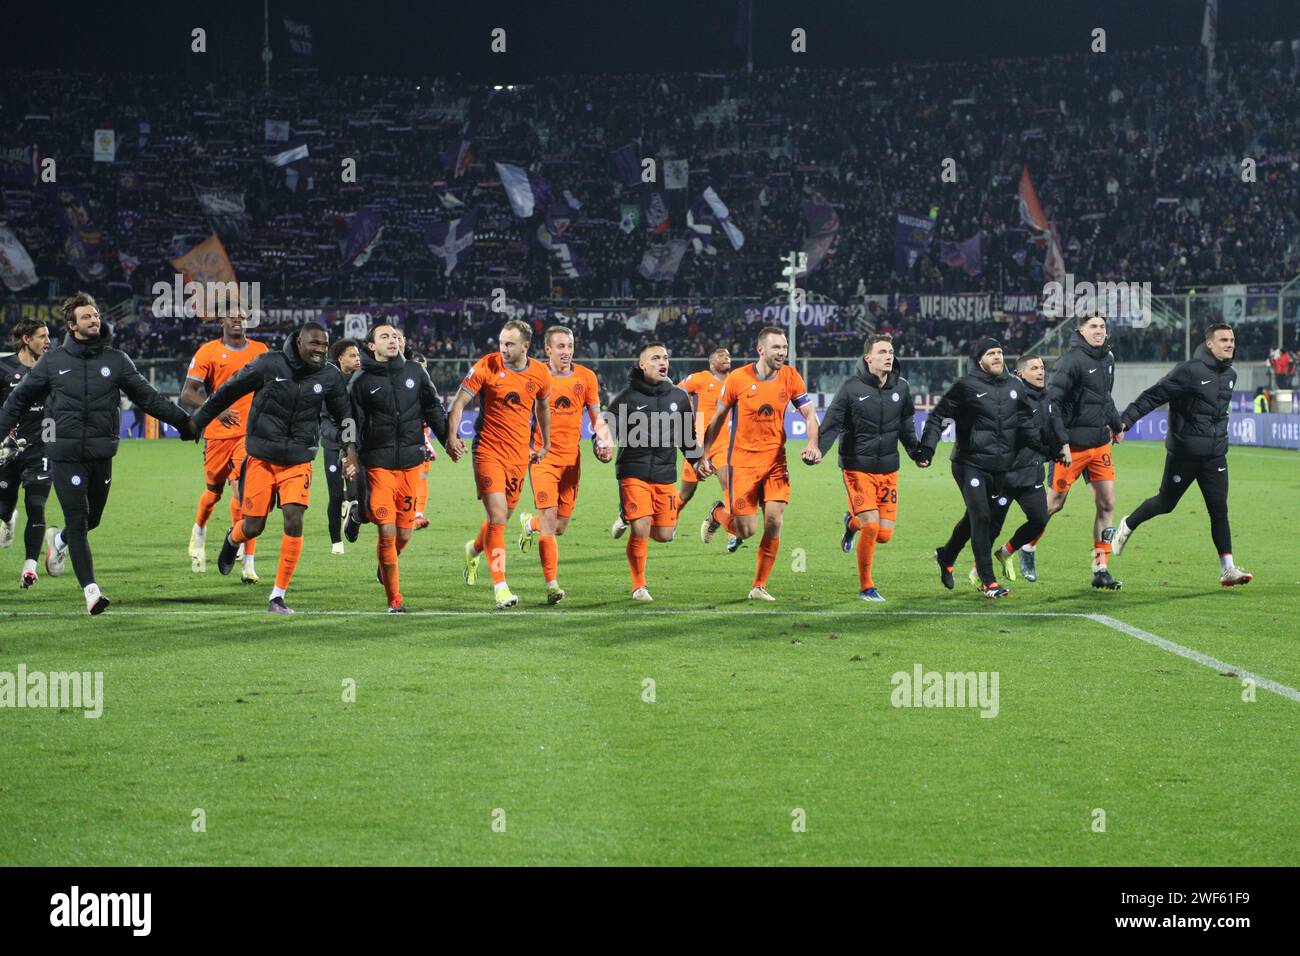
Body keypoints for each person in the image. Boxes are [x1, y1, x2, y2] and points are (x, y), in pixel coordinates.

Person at [0, 293, 197, 614]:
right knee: (78, 520)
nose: (94, 320)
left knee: (93, 518)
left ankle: (58, 541)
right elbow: (17, 401)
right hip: (63, 453)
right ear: (72, 325)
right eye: (87, 317)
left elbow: (150, 398)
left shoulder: (116, 360)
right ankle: (91, 592)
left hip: (101, 453)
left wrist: (184, 422)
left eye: (95, 315)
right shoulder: (53, 362)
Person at [190, 322, 353, 615]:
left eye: (324, 345)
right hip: (262, 457)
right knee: (254, 525)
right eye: (314, 344)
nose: (319, 350)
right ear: (300, 342)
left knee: (294, 519)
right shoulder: (268, 364)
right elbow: (227, 392)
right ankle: (232, 538)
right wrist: (198, 420)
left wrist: (350, 451)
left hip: (299, 459)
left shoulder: (329, 376)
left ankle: (277, 596)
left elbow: (345, 416)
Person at [916, 338, 1063, 599]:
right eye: (990, 353)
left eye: (999, 352)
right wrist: (927, 449)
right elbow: (938, 416)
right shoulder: (966, 387)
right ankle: (988, 581)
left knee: (974, 518)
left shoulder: (1014, 386)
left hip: (998, 468)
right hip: (968, 463)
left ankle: (946, 555)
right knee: (982, 516)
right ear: (980, 360)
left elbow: (1025, 424)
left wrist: (1049, 451)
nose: (997, 357)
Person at [1112, 325, 1251, 586]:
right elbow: (1153, 396)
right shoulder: (1189, 371)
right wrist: (1125, 421)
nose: (1230, 344)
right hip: (1184, 455)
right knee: (1166, 503)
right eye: (1224, 340)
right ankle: (1128, 524)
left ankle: (1228, 568)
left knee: (1219, 511)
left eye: (1232, 339)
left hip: (1215, 457)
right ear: (1210, 343)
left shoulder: (1230, 374)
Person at [695, 326, 822, 601]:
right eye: (776, 347)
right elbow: (717, 419)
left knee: (774, 521)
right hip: (742, 463)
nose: (782, 352)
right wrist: (702, 454)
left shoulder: (790, 376)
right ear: (761, 350)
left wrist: (813, 443)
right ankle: (718, 513)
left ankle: (759, 586)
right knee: (746, 530)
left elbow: (810, 414)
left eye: (785, 347)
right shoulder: (738, 379)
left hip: (776, 462)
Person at [345, 324, 459, 612]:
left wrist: (447, 440)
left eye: (396, 336)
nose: (393, 340)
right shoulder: (360, 380)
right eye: (385, 336)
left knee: (404, 535)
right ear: (371, 346)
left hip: (410, 463)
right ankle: (394, 600)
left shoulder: (415, 373)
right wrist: (350, 456)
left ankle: (385, 562)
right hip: (378, 465)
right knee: (387, 529)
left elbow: (433, 408)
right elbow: (351, 422)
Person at [446, 320, 552, 609]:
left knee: (501, 518)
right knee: (497, 517)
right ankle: (501, 587)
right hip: (488, 451)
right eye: (501, 342)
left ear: (525, 346)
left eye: (510, 344)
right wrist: (452, 436)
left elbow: (543, 406)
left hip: (519, 455)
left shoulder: (540, 373)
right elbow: (458, 404)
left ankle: (474, 548)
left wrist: (545, 443)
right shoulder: (487, 366)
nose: (503, 349)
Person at [815, 334, 923, 602]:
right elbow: (831, 423)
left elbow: (906, 425)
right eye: (883, 351)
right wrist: (818, 449)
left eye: (891, 351)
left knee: (883, 535)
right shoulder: (851, 388)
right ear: (868, 358)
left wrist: (915, 452)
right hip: (857, 467)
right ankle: (866, 587)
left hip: (888, 468)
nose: (889, 356)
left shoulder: (902, 388)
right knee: (872, 527)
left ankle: (851, 524)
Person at [516, 326, 613, 604]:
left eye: (569, 346)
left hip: (572, 461)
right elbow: (520, 416)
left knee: (559, 527)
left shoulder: (586, 377)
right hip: (543, 459)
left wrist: (603, 441)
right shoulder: (535, 376)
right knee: (549, 522)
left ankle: (529, 523)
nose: (566, 351)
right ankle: (552, 585)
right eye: (560, 346)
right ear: (547, 349)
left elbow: (596, 415)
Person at [942, 354, 1055, 586]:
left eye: (1042, 367)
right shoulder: (1006, 395)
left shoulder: (1048, 398)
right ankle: (969, 566)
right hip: (1002, 474)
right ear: (1020, 373)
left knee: (1039, 520)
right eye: (1035, 368)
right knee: (985, 524)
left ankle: (1005, 552)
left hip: (1030, 473)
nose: (1041, 372)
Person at [180, 312, 269, 580]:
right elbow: (187, 393)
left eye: (243, 316)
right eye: (232, 317)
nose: (238, 320)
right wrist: (215, 410)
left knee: (244, 494)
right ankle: (200, 528)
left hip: (249, 436)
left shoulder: (260, 351)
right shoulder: (208, 352)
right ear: (222, 322)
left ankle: (248, 563)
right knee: (213, 493)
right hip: (218, 436)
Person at [606, 342, 697, 600]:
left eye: (665, 358)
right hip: (632, 471)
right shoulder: (626, 397)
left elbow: (687, 439)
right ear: (642, 365)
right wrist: (602, 446)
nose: (662, 362)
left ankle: (626, 515)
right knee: (642, 528)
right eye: (655, 358)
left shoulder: (679, 397)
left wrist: (700, 462)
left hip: (664, 475)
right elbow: (605, 431)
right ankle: (639, 586)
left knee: (664, 535)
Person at [1040, 314, 1125, 590]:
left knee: (1107, 504)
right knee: (1053, 504)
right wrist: (1059, 439)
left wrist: (1115, 423)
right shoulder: (1070, 361)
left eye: (1102, 326)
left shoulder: (1108, 359)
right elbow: (1052, 401)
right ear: (1081, 330)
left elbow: (1105, 397)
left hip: (1098, 443)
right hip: (1072, 445)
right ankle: (1016, 548)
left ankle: (1101, 567)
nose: (1099, 331)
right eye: (1093, 327)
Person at [645, 346, 736, 549]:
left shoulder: (735, 380)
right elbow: (677, 393)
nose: (726, 358)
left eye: (728, 355)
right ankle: (671, 519)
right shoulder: (701, 379)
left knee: (728, 486)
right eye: (722, 355)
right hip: (698, 444)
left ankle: (732, 533)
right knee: (686, 494)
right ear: (712, 363)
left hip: (722, 443)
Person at [0, 319, 52, 588]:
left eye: (48, 335)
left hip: (42, 447)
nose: (48, 341)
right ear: (26, 340)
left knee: (36, 505)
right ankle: (8, 520)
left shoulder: (54, 367)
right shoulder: (4, 367)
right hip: (8, 451)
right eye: (42, 336)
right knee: (5, 503)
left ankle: (30, 567)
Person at [320, 338, 361, 554]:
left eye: (358, 355)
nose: (357, 359)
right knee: (335, 495)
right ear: (340, 358)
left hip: (356, 446)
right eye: (352, 355)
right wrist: (340, 443)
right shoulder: (329, 382)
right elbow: (324, 419)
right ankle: (336, 541)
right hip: (333, 445)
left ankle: (352, 514)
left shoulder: (362, 380)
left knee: (357, 495)